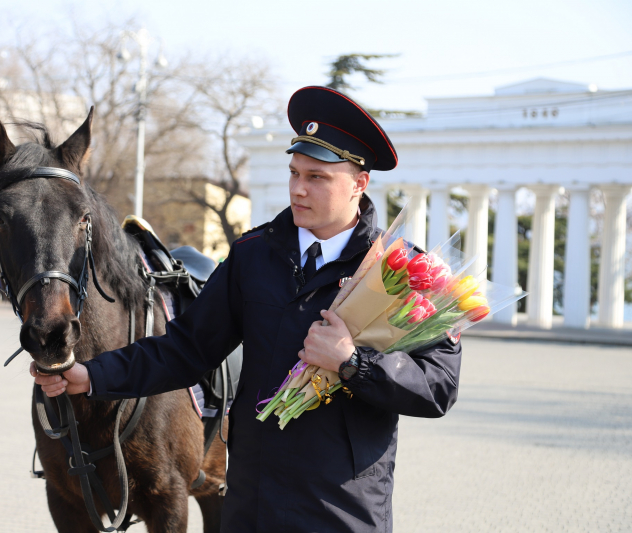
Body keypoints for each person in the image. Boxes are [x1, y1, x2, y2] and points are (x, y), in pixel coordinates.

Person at [31, 86, 462, 532]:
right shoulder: (253, 255)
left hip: (342, 510)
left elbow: (438, 386)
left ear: (359, 183)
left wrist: (353, 364)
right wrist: (92, 376)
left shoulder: (402, 273)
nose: (298, 189)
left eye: (317, 177)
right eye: (294, 173)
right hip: (254, 506)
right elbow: (186, 349)